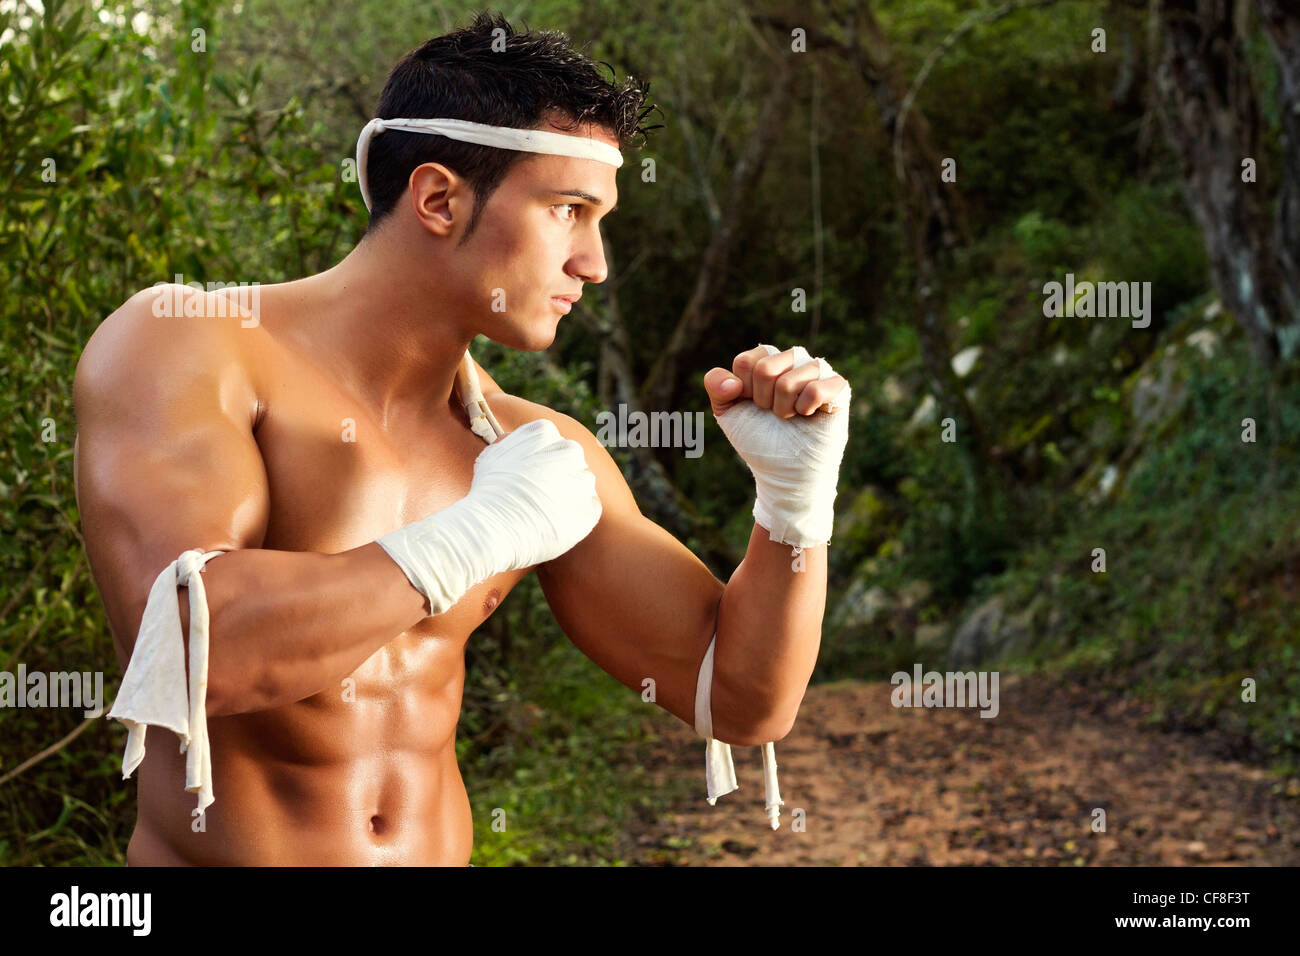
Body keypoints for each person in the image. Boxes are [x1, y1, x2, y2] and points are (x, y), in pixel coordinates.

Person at [72, 12, 850, 866]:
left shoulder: (531, 450)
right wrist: (479, 534)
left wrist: (793, 509)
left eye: (601, 220)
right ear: (439, 198)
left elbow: (737, 698)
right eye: (568, 211)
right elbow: (191, 652)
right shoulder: (191, 342)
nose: (594, 263)